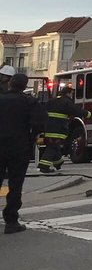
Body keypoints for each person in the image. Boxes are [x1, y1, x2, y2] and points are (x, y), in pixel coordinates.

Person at [1, 74, 45, 234]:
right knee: (15, 184)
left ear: (10, 83)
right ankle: (11, 221)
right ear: (25, 85)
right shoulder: (29, 102)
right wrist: (31, 137)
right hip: (19, 148)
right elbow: (40, 123)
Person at [38, 83, 92, 172]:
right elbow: (77, 110)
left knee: (54, 146)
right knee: (52, 147)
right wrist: (89, 114)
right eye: (72, 94)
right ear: (68, 93)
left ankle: (58, 163)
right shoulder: (66, 102)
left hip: (48, 129)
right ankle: (44, 166)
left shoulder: (52, 101)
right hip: (58, 129)